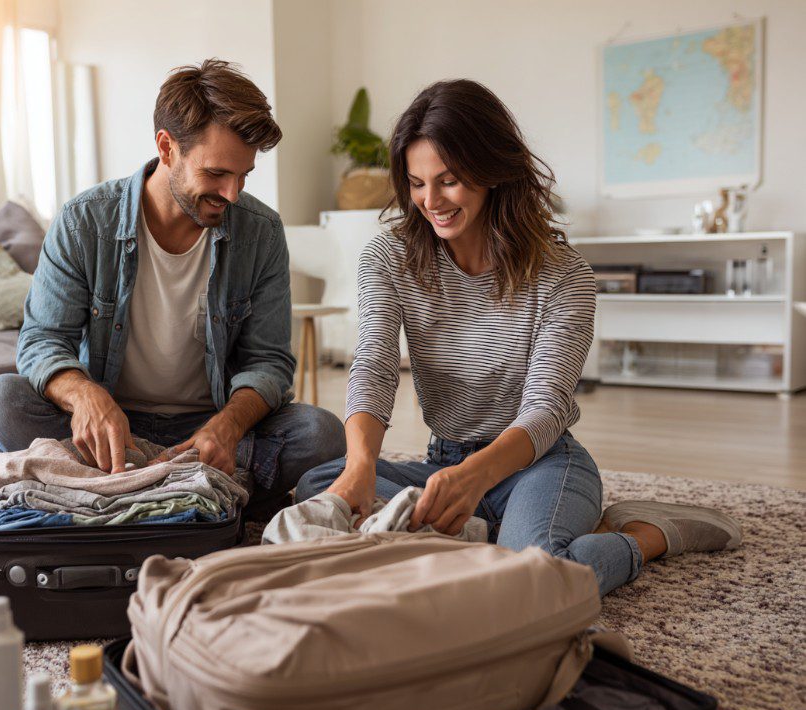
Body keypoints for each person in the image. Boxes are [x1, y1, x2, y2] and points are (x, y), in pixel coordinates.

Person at [295, 79, 741, 595]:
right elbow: (373, 365)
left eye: (449, 181)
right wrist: (360, 466)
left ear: (492, 170)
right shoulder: (387, 258)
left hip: (538, 463)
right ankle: (485, 537)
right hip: (445, 460)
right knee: (319, 488)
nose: (430, 201)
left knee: (535, 579)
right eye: (416, 183)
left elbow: (546, 408)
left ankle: (647, 534)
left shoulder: (565, 275)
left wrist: (476, 476)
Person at [0, 59, 346, 519]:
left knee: (321, 432)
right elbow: (42, 341)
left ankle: (118, 486)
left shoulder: (261, 232)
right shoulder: (84, 221)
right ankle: (202, 488)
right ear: (167, 147)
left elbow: (268, 361)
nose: (232, 193)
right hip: (112, 427)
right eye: (216, 173)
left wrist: (227, 426)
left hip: (207, 426)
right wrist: (87, 397)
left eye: (244, 175)